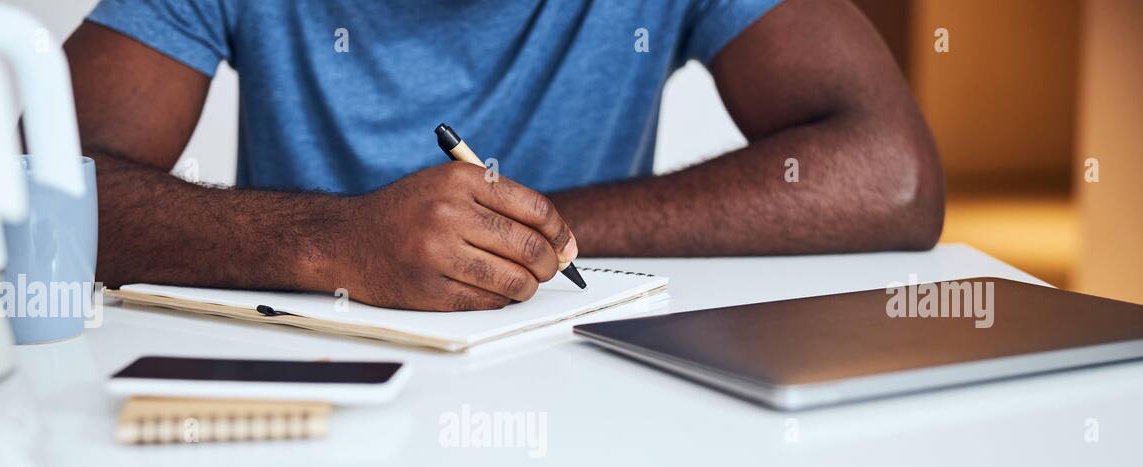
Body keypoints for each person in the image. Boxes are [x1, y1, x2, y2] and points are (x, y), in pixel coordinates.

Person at [66, 0, 943, 311]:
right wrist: (332, 243)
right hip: (305, 396)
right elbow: (33, 188)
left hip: (588, 395)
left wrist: (522, 238)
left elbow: (893, 176)